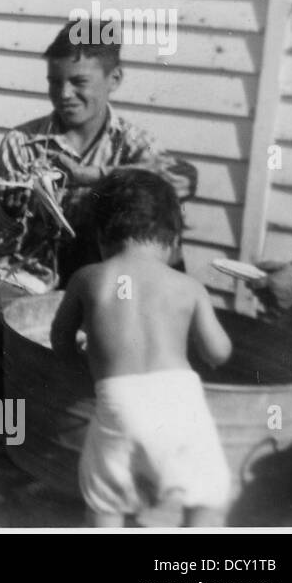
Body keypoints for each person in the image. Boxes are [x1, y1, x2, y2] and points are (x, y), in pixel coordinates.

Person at [51, 170, 232, 527]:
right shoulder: (188, 286)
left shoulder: (88, 278)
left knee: (107, 500)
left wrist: (85, 368)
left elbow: (60, 338)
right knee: (207, 494)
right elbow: (219, 351)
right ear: (173, 241)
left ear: (101, 236)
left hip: (118, 403)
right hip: (181, 402)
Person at [0, 18, 198, 280]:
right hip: (34, 282)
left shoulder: (136, 145)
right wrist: (7, 214)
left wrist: (91, 175)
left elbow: (181, 180)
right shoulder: (21, 143)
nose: (64, 93)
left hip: (112, 288)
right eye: (55, 82)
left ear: (114, 79)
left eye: (79, 82)